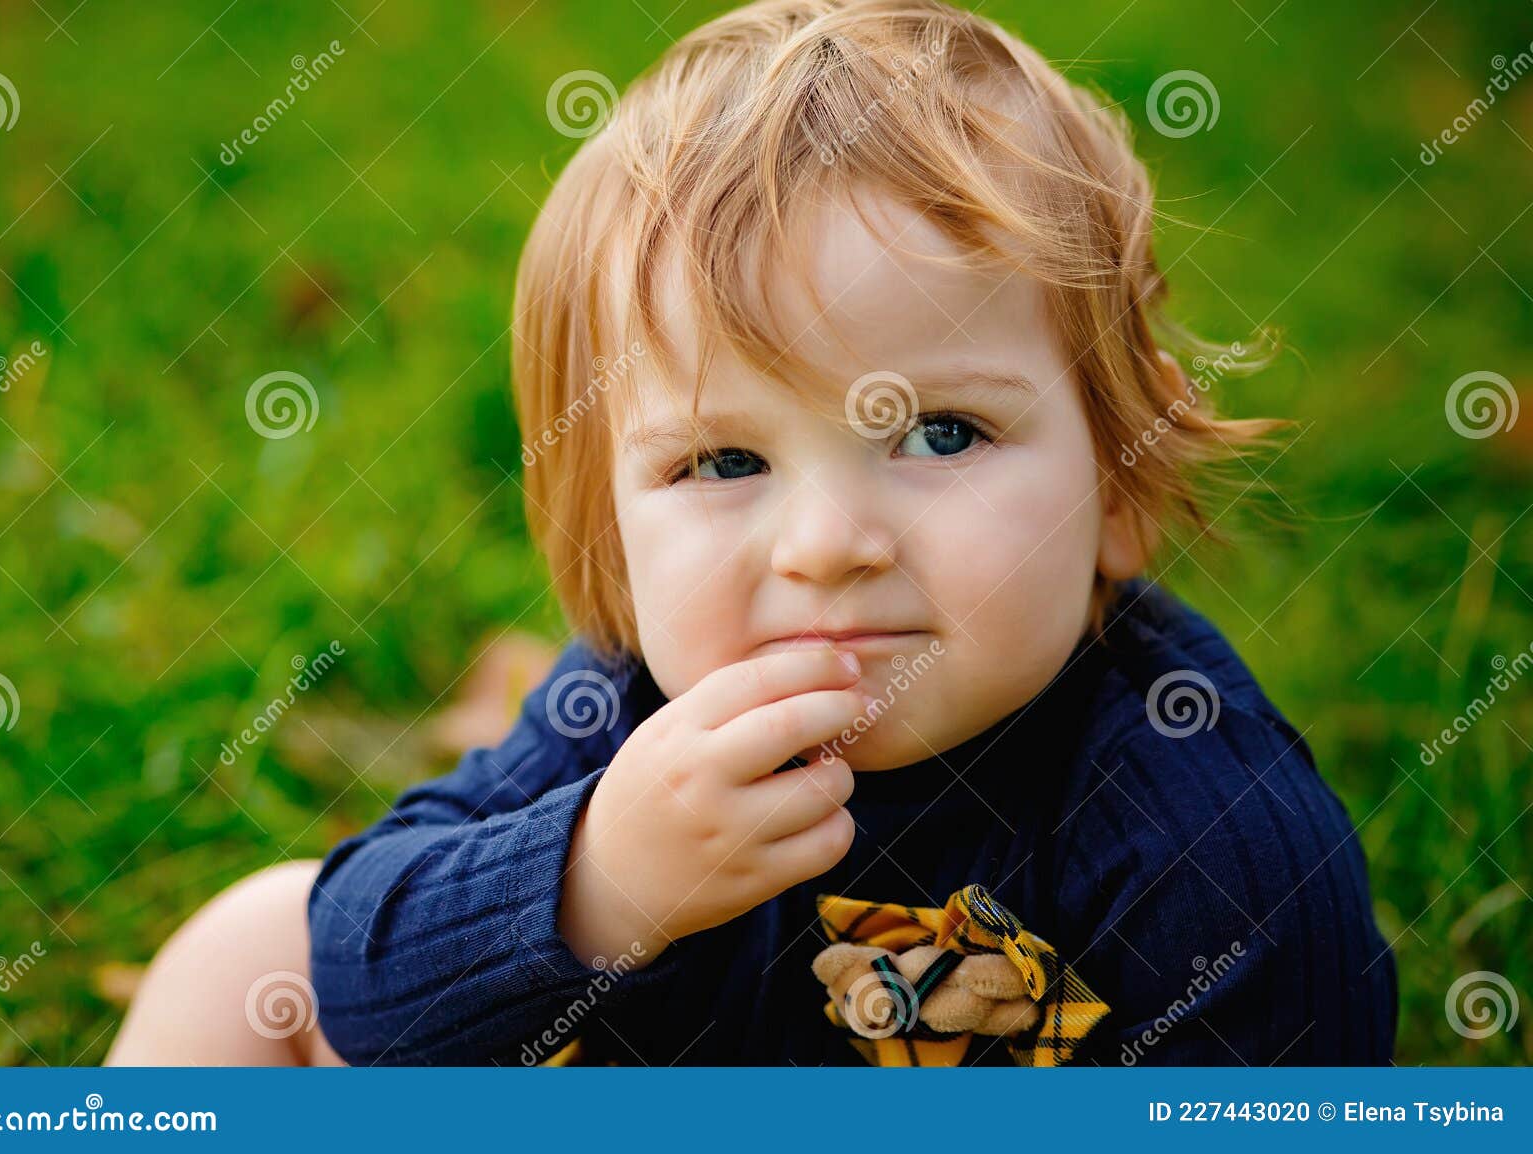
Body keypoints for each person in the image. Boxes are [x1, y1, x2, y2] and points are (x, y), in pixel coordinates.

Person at [107, 0, 1397, 1067]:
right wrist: (596, 886)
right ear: (615, 544)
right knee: (257, 950)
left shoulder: (1207, 846)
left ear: (1118, 486)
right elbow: (358, 986)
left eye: (943, 434)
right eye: (723, 460)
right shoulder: (623, 716)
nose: (827, 545)